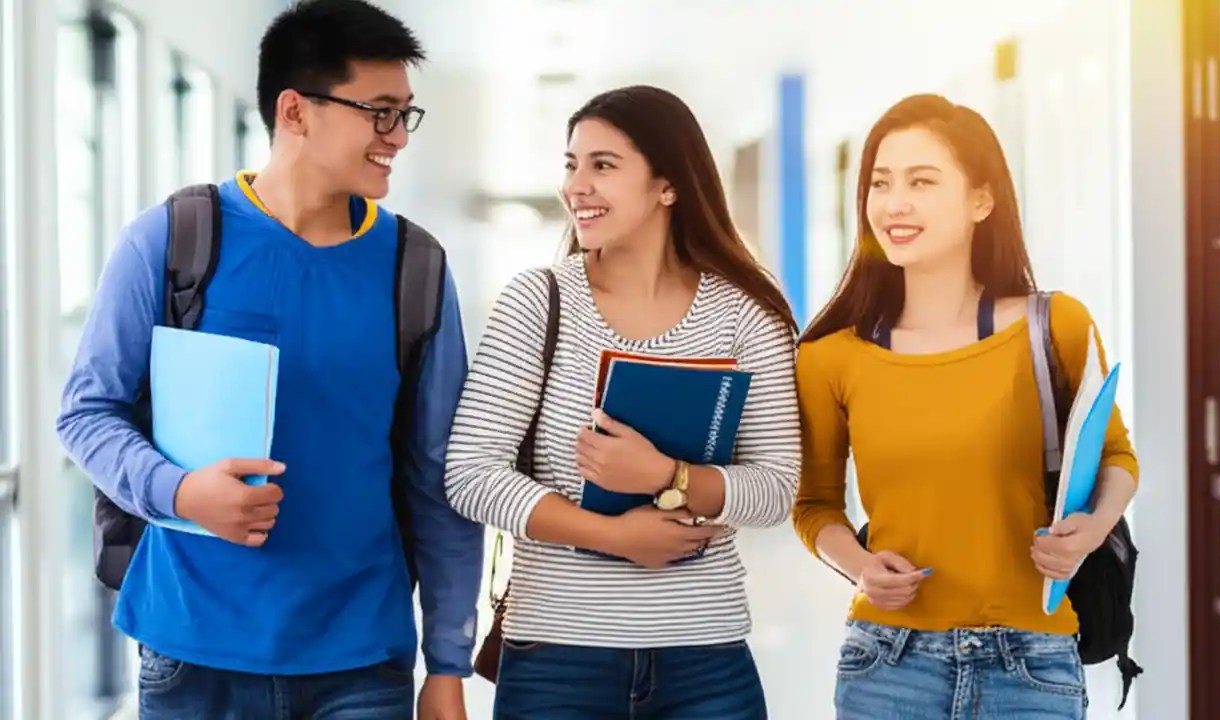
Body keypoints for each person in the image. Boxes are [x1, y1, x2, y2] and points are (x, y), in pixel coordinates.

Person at [55, 1, 481, 718]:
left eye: (406, 114)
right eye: (379, 112)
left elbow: (439, 476)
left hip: (361, 659)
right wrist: (182, 493)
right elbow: (86, 413)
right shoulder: (173, 239)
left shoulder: (415, 267)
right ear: (296, 110)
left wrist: (448, 662)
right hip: (192, 652)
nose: (397, 137)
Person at [443, 85, 800, 720]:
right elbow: (471, 475)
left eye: (603, 165)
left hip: (705, 661)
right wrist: (613, 536)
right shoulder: (539, 302)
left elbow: (776, 489)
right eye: (571, 164)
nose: (577, 185)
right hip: (557, 659)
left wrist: (670, 477)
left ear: (668, 184)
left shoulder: (748, 314)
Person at [791, 93, 1139, 719]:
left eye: (922, 181)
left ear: (982, 199)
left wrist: (1090, 531)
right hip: (886, 665)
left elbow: (1117, 456)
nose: (894, 203)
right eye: (880, 182)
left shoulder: (1054, 325)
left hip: (1032, 663)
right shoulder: (829, 356)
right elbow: (813, 506)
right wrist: (863, 568)